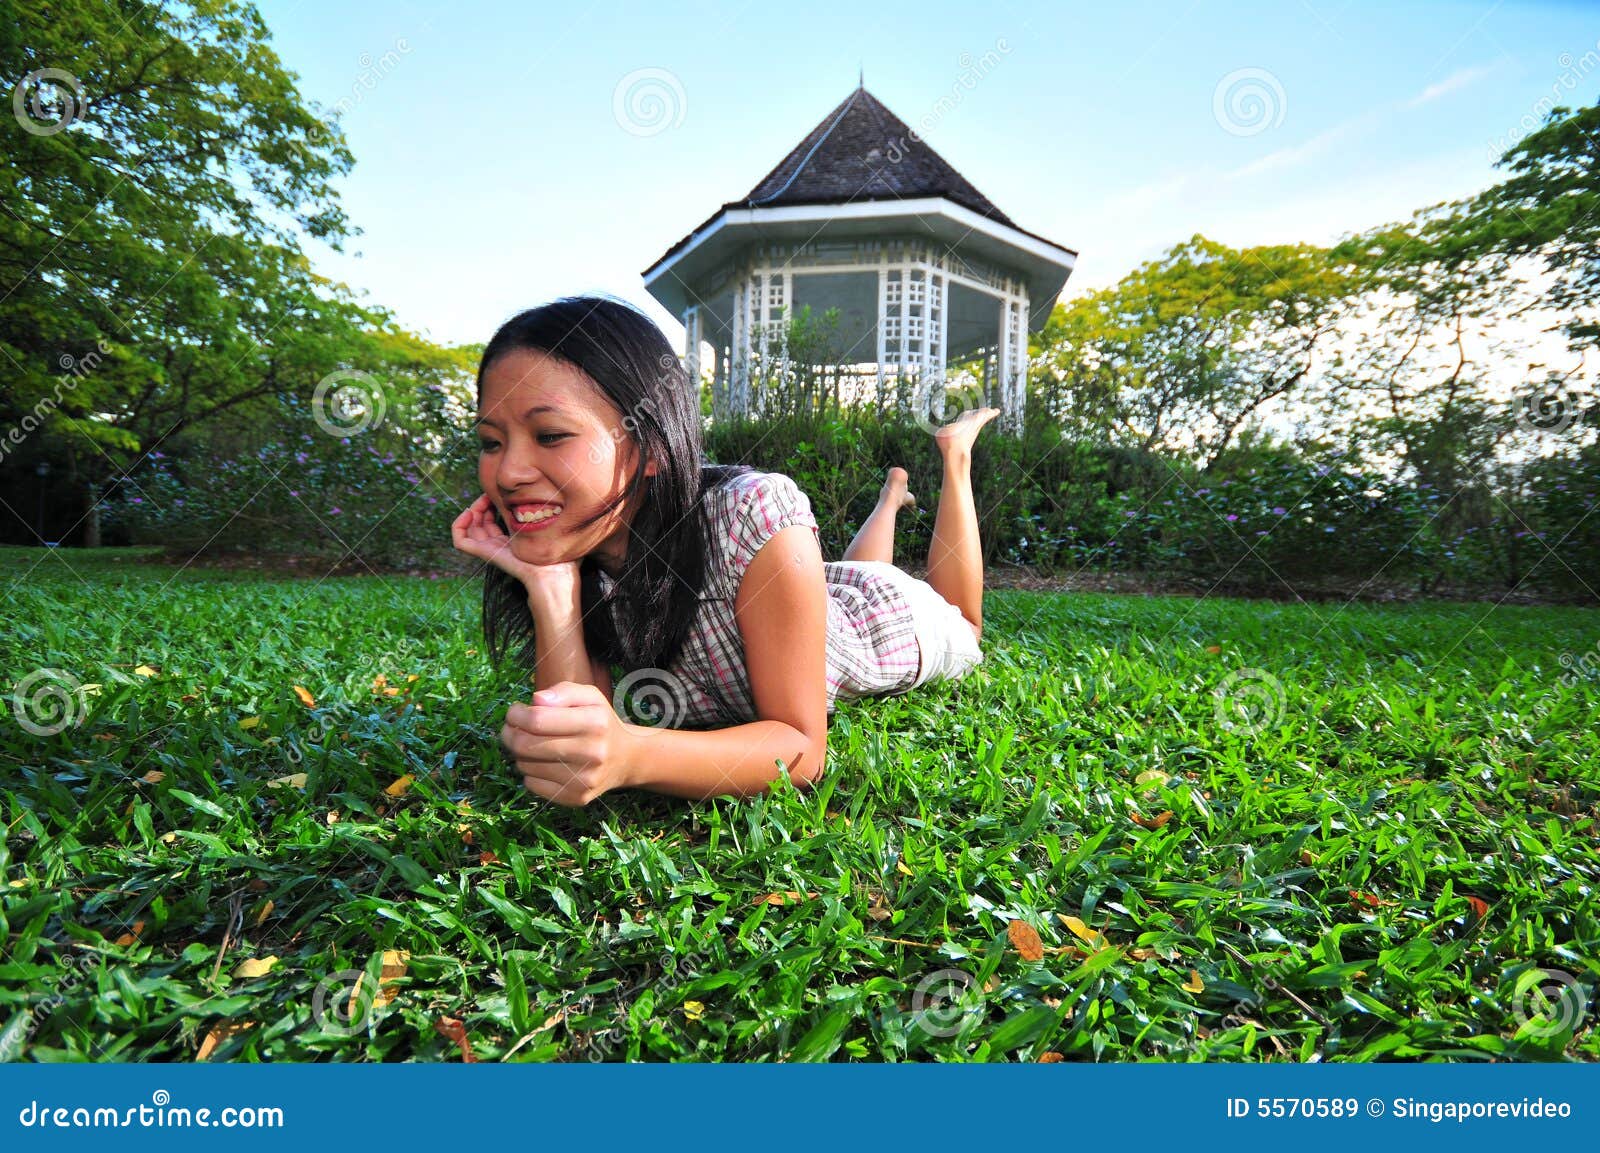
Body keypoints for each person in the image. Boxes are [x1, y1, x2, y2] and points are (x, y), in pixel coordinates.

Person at [451, 294, 995, 807]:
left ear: (651, 447)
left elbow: (801, 749)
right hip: (812, 591)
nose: (509, 472)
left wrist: (632, 754)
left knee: (962, 623)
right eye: (491, 442)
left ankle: (955, 458)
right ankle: (891, 498)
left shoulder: (750, 512)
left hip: (883, 624)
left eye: (549, 435)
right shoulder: (585, 553)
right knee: (856, 571)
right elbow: (569, 733)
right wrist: (549, 585)